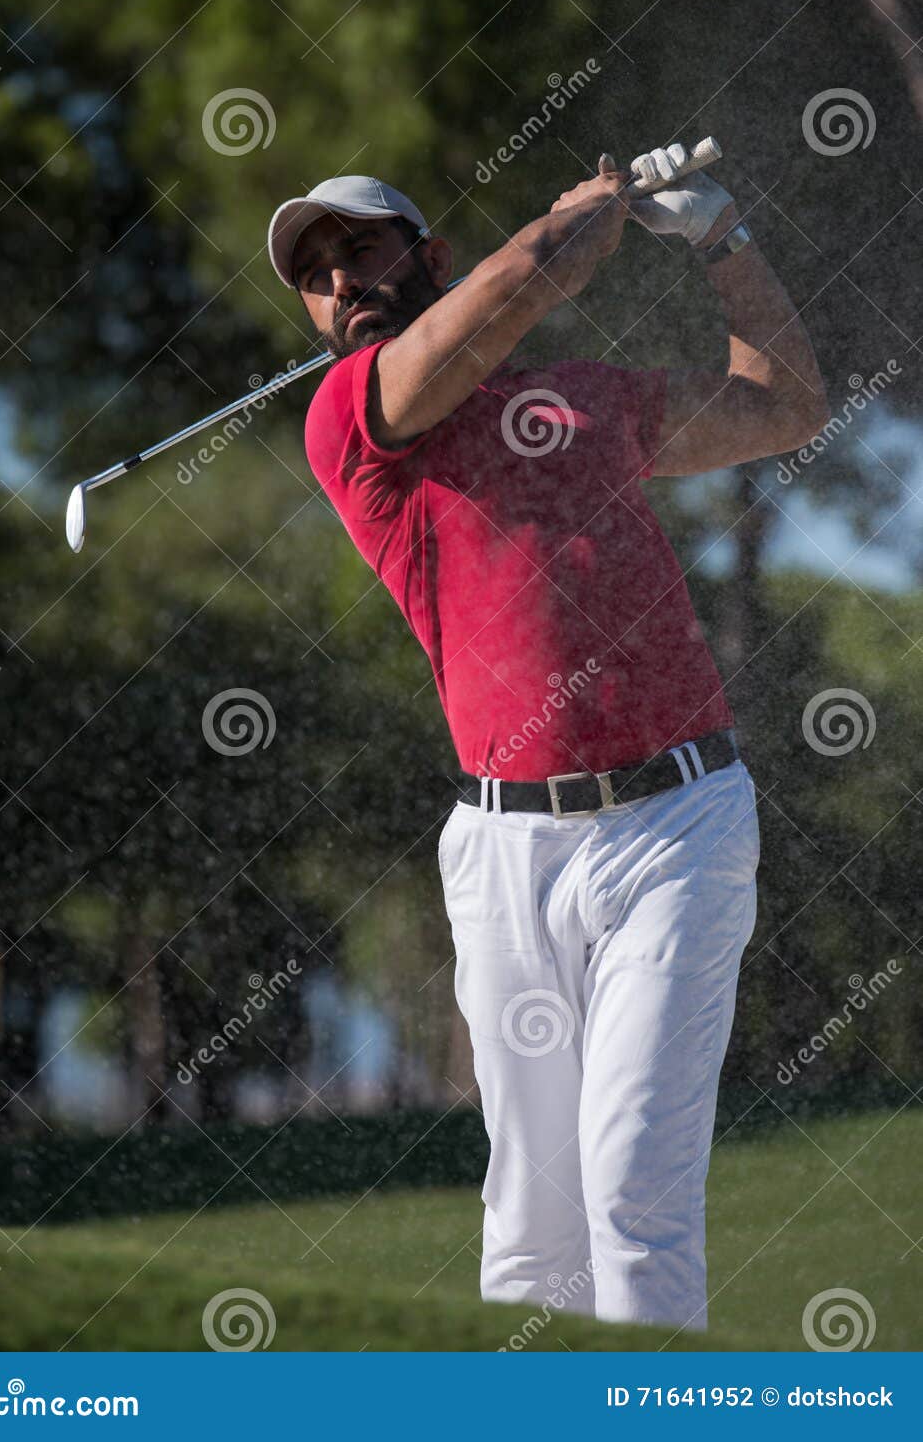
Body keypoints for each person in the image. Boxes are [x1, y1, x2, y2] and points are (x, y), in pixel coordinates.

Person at [266, 146, 829, 1330]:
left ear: (430, 259)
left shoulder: (589, 398)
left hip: (676, 827)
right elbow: (532, 275)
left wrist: (723, 236)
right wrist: (581, 216)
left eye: (359, 249)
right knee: (531, 1229)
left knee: (632, 1195)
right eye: (314, 276)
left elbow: (788, 406)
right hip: (504, 853)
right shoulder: (354, 423)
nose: (338, 283)